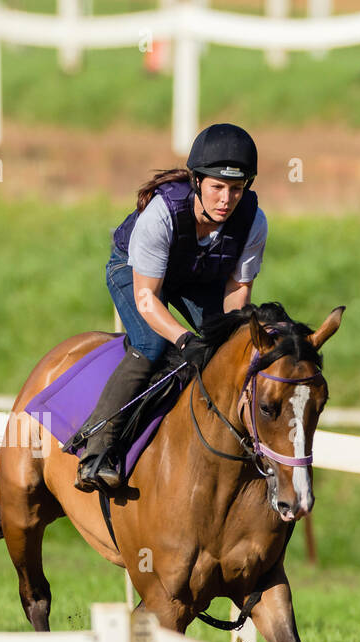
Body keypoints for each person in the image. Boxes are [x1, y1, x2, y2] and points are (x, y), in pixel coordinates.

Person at [74, 122, 268, 493]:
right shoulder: (161, 214)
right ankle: (97, 452)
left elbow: (237, 289)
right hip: (134, 273)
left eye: (236, 189)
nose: (226, 200)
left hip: (197, 276)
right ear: (197, 182)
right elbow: (148, 297)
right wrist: (183, 340)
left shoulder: (254, 221)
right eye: (217, 187)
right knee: (152, 345)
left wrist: (224, 338)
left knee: (228, 349)